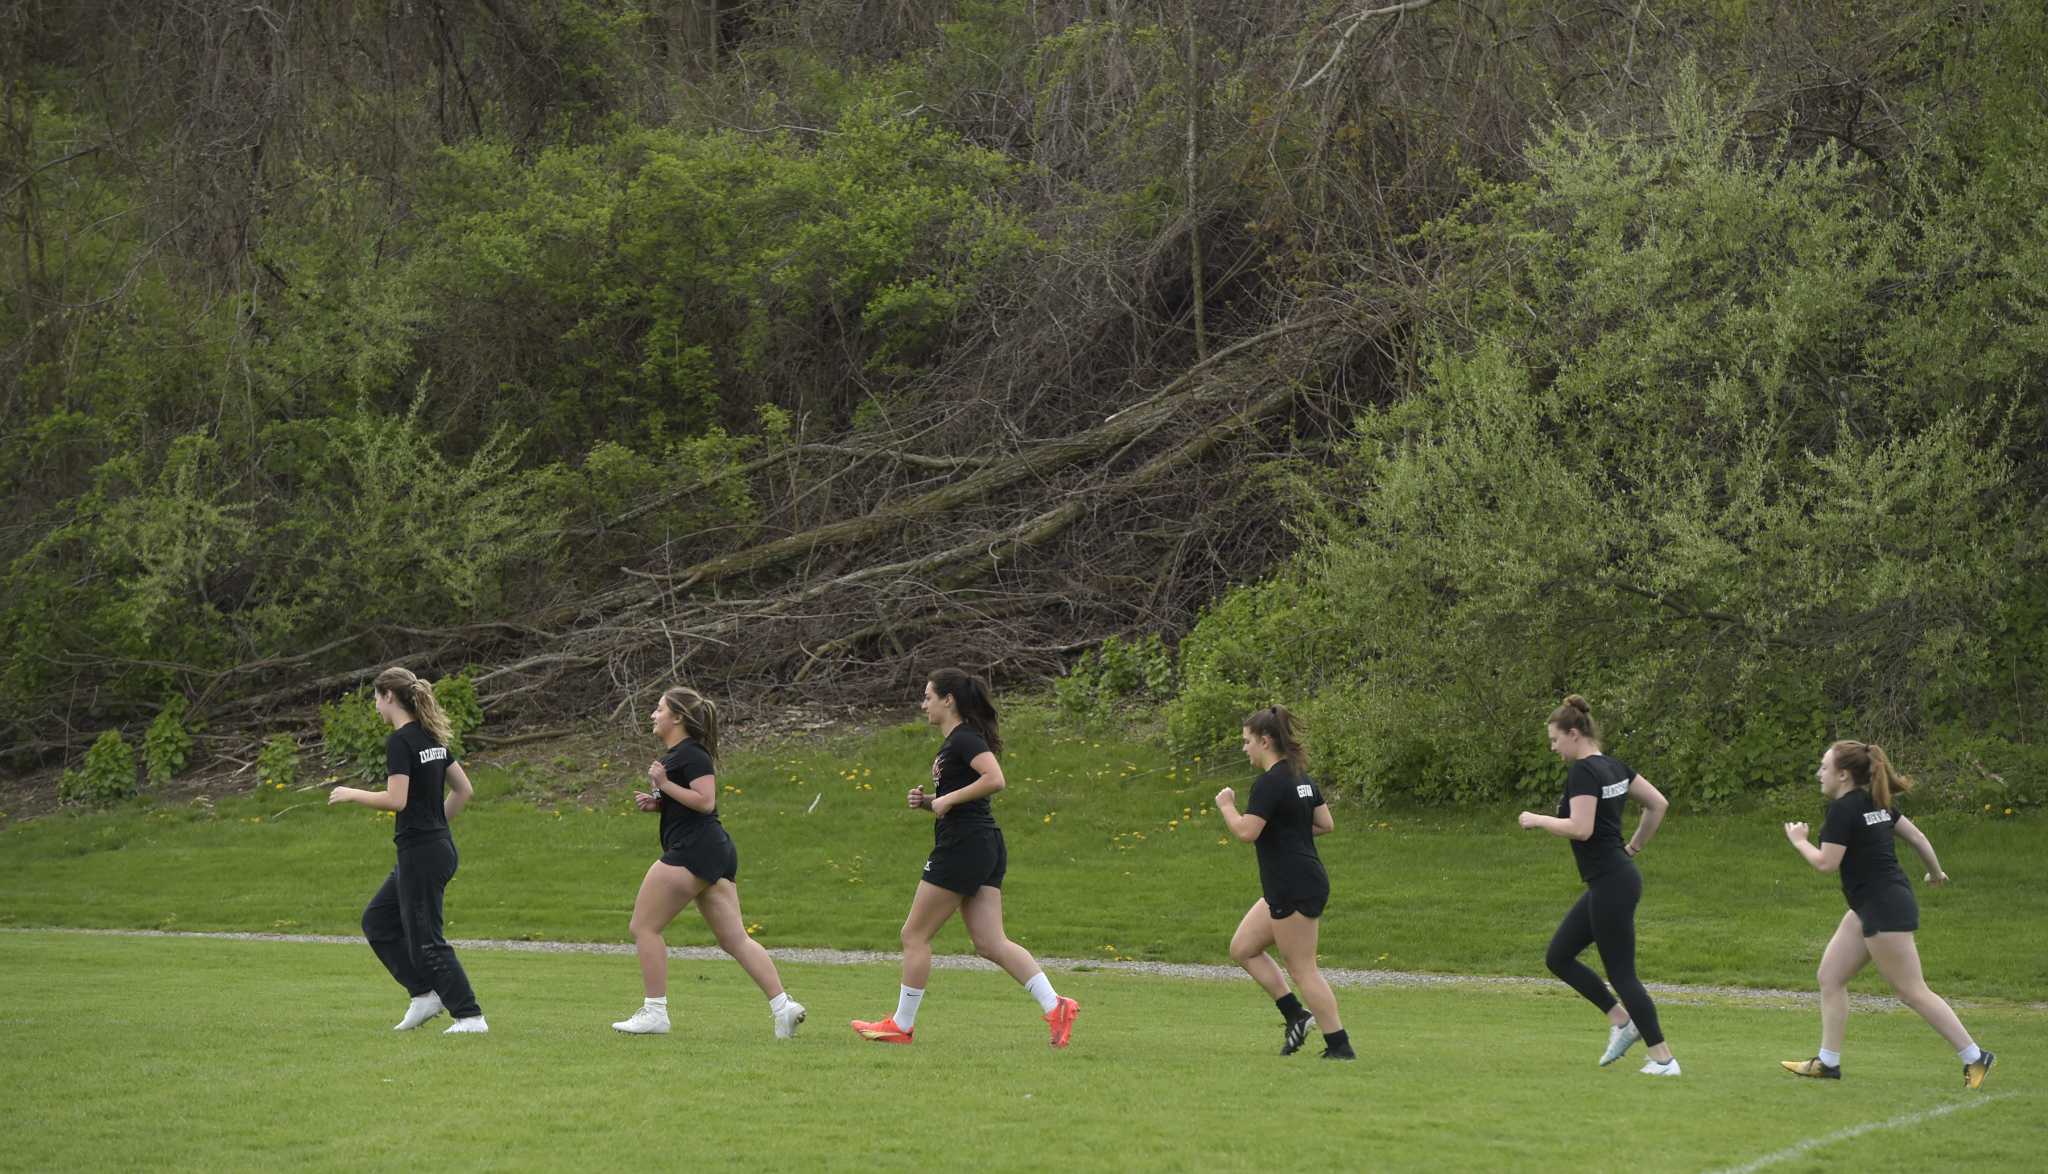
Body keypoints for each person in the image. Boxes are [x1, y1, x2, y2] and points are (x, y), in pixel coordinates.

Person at [851, 668, 1079, 1047]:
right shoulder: (958, 741)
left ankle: (902, 1025)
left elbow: (995, 779)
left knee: (914, 934)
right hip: (982, 842)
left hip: (964, 845)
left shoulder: (965, 739)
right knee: (990, 942)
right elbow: (962, 798)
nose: (923, 704)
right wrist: (929, 803)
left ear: (948, 700)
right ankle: (1055, 1005)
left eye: (927, 696)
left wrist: (948, 799)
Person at [1779, 740, 1994, 1088]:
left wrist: (1800, 840)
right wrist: (1935, 873)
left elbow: (1825, 863)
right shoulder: (1876, 803)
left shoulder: (1844, 810)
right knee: (1830, 977)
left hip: (1883, 908)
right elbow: (1919, 838)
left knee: (1911, 991)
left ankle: (1975, 1056)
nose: (1820, 774)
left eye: (1824, 767)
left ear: (1844, 775)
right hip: (1872, 905)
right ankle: (1827, 1063)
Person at [610, 687, 805, 1039]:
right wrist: (659, 803)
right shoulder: (678, 755)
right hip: (711, 849)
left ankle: (655, 1012)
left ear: (678, 717)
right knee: (734, 939)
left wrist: (665, 784)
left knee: (644, 927)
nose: (653, 716)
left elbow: (705, 801)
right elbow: (688, 803)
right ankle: (784, 1007)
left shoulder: (692, 755)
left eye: (659, 709)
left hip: (694, 849)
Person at [1517, 694, 1678, 1075]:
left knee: (1622, 974)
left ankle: (1664, 1059)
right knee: (1558, 956)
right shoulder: (1614, 767)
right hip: (1614, 878)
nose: (1553, 749)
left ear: (1574, 734)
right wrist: (1634, 847)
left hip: (1611, 883)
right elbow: (1659, 804)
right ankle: (1621, 1021)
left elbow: (1581, 828)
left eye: (1555, 740)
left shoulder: (1584, 772)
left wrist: (1536, 819)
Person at [328, 666, 487, 1034]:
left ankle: (469, 1015)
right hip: (434, 848)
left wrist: (352, 793)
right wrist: (437, 826)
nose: (375, 707)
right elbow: (465, 790)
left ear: (388, 697)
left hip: (421, 853)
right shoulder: (430, 737)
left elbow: (396, 800)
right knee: (378, 921)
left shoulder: (400, 742)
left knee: (426, 940)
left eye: (375, 699)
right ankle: (423, 995)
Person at [1213, 705, 1353, 1060]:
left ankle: (1339, 1046)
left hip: (1292, 883)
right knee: (1243, 948)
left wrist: (1227, 805)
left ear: (1265, 741)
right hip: (1299, 879)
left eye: (1247, 742)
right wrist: (1287, 831)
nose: (1244, 749)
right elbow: (1324, 824)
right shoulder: (1301, 778)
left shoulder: (1269, 783)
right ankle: (1295, 1014)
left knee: (1303, 969)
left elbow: (1247, 831)